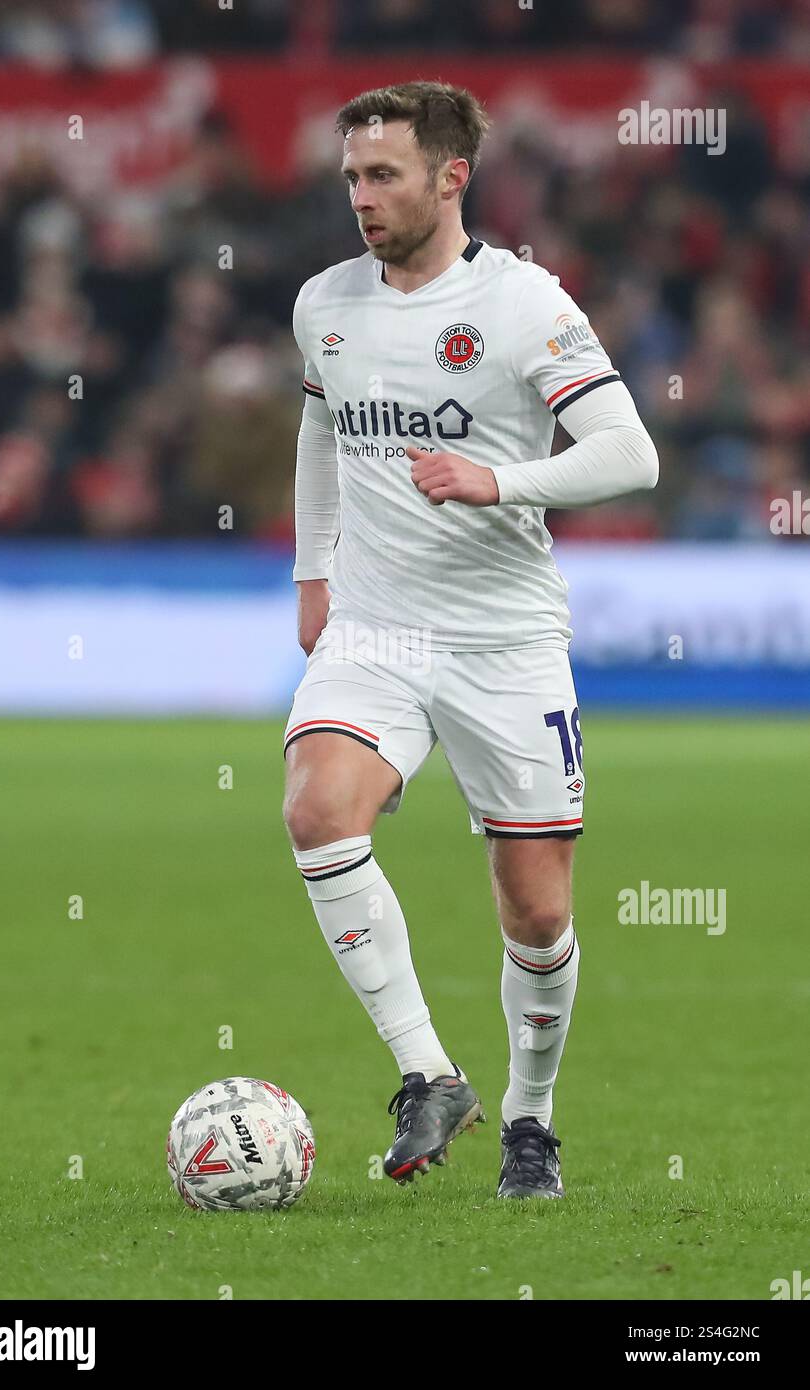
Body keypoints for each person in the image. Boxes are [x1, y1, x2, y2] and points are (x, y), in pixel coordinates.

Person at [283, 81, 658, 1198]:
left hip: (503, 642)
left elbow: (627, 451)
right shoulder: (324, 303)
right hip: (376, 628)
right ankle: (426, 1071)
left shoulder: (523, 305)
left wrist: (500, 479)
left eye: (383, 173)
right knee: (315, 809)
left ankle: (529, 1123)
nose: (360, 195)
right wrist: (313, 571)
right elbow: (318, 425)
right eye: (350, 174)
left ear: (451, 178)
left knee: (537, 913)